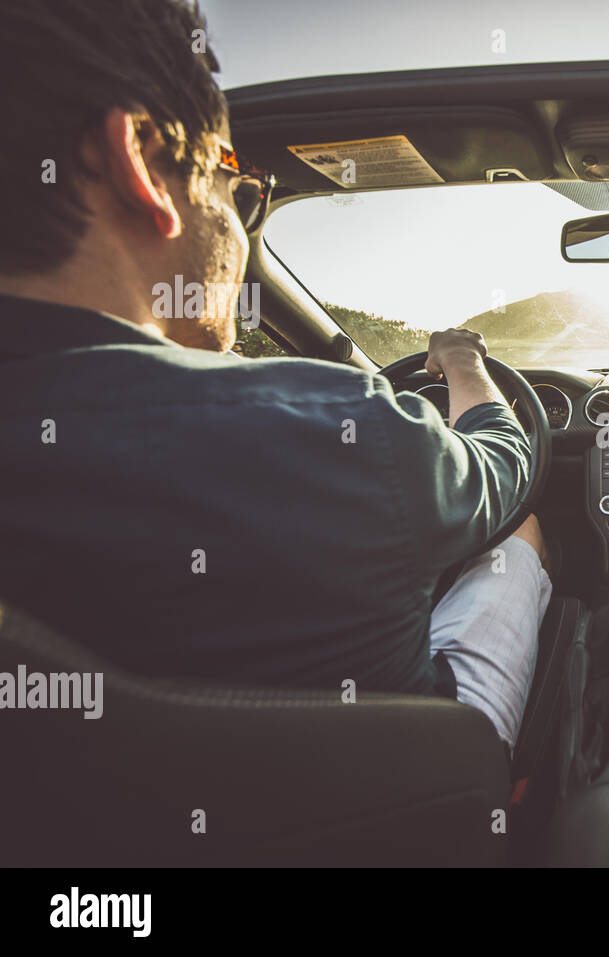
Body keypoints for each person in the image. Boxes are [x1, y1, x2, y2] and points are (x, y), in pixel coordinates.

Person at [0, 0, 550, 751]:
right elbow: (505, 462)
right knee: (519, 531)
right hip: (397, 801)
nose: (238, 219)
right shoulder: (337, 428)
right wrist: (461, 361)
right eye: (237, 183)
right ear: (140, 161)